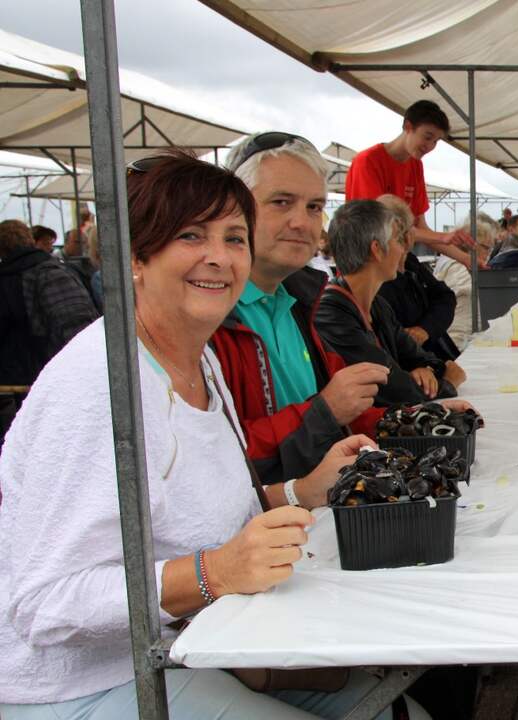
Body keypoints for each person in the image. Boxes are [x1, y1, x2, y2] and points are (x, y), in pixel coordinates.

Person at [0, 152, 426, 719]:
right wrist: (213, 574)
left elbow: (205, 514)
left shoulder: (199, 362)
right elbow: (45, 604)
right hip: (92, 680)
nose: (219, 257)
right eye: (190, 235)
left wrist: (302, 490)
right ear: (135, 257)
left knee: (403, 711)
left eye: (234, 238)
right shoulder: (100, 386)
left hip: (200, 642)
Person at [214, 132, 391, 485]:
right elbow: (216, 456)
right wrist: (323, 412)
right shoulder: (209, 314)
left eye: (314, 207)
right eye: (281, 202)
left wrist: (416, 418)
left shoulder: (300, 301)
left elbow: (343, 410)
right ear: (235, 210)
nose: (302, 222)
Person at [314, 199, 465, 406]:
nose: (403, 249)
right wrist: (447, 384)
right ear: (377, 249)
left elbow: (423, 357)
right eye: (397, 240)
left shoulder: (377, 306)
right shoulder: (332, 314)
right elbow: (390, 389)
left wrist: (425, 369)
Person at [0, 219, 98, 441]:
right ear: (30, 240)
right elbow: (77, 325)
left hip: (18, 382)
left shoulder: (18, 275)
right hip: (56, 374)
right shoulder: (51, 270)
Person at [344, 101, 475, 266]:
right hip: (365, 265)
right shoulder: (367, 161)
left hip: (393, 264)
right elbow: (382, 226)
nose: (430, 146)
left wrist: (466, 259)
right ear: (408, 127)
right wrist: (443, 237)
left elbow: (421, 228)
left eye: (436, 141)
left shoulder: (415, 165)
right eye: (428, 137)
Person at [375, 195, 461, 361]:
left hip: (432, 356)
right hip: (416, 364)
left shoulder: (411, 264)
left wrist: (425, 329)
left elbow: (445, 297)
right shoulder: (380, 279)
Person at [436, 212, 499, 348]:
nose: (489, 253)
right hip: (459, 342)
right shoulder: (460, 269)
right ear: (471, 245)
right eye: (487, 248)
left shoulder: (449, 260)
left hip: (454, 337)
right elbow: (469, 292)